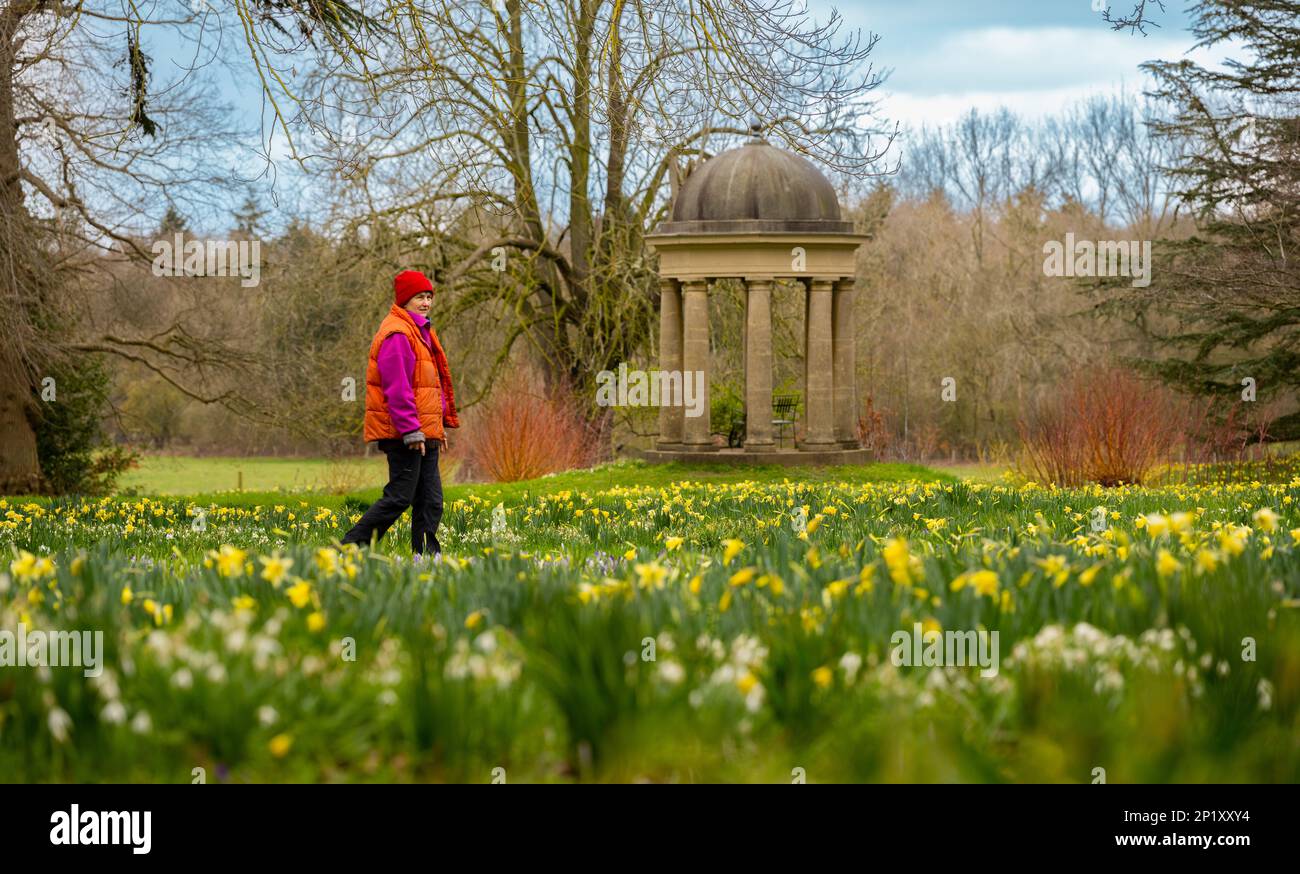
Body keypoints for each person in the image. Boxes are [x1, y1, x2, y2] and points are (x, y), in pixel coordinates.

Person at [341, 269, 459, 556]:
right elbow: (398, 388)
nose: (426, 302)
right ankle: (346, 550)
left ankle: (426, 558)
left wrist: (438, 427)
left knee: (430, 500)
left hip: (424, 432)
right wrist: (410, 430)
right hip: (404, 433)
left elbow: (430, 386)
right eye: (420, 297)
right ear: (405, 299)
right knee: (399, 497)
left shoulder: (421, 332)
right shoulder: (397, 334)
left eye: (429, 297)